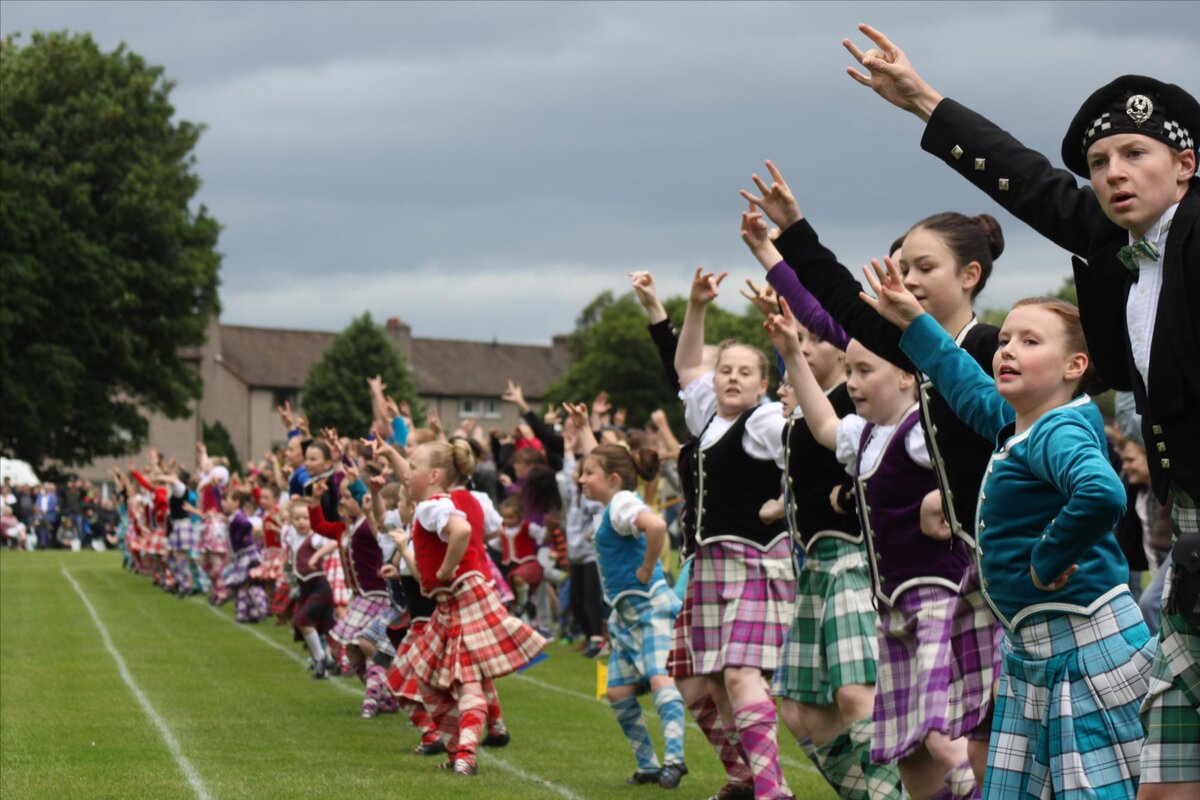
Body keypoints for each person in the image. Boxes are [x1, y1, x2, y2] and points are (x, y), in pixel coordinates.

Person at [842, 27, 1199, 794]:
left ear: (1188, 166)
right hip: (1181, 547)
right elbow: (1036, 185)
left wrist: (1043, 559)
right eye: (1101, 162)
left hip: (1093, 625)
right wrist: (925, 105)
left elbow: (1098, 493)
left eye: (1136, 153)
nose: (1113, 172)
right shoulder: (1117, 258)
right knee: (1165, 780)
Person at [742, 161, 1004, 785]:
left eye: (923, 268)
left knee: (980, 740)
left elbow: (1023, 435)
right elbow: (835, 303)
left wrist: (958, 493)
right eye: (903, 267)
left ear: (971, 276)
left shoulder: (992, 346)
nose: (907, 278)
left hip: (982, 568)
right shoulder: (910, 344)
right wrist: (791, 233)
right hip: (926, 579)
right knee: (913, 751)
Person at [861, 254, 1156, 799]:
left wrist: (1046, 561)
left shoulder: (1057, 431)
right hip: (1034, 652)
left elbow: (1101, 493)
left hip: (1083, 650)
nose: (1008, 350)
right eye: (1006, 340)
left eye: (1030, 341)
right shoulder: (1023, 422)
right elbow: (964, 384)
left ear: (1074, 366)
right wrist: (913, 319)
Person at [765, 298, 975, 800]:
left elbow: (979, 462)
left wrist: (941, 498)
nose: (852, 382)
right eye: (851, 370)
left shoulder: (925, 433)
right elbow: (821, 426)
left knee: (944, 740)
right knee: (911, 758)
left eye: (864, 370)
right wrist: (793, 354)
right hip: (892, 611)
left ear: (907, 377)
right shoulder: (864, 437)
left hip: (938, 605)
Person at [739, 211, 903, 800]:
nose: (804, 348)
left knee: (857, 695)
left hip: (857, 561)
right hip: (816, 565)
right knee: (801, 711)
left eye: (813, 342)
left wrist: (775, 254)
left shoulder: (867, 399)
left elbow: (823, 313)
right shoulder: (820, 407)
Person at [675, 267, 796, 800]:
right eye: (725, 370)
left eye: (745, 372)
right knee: (695, 684)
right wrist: (697, 305)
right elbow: (685, 367)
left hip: (755, 562)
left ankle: (772, 790)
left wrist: (786, 504)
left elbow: (817, 455)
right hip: (707, 563)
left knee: (742, 675)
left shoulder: (767, 422)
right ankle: (744, 776)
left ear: (762, 383)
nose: (731, 378)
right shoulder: (708, 416)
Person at [391, 440, 545, 777]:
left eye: (412, 466)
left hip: (464, 597)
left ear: (434, 475)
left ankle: (466, 755)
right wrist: (408, 553)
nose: (406, 473)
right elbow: (432, 574)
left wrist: (448, 569)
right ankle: (457, 749)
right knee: (424, 675)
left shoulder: (432, 505)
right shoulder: (442, 503)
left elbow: (461, 531)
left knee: (466, 680)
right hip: (451, 602)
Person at [572, 418, 688, 790]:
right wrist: (583, 431)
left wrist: (647, 568)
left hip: (648, 606)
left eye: (588, 473)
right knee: (619, 691)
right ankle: (649, 766)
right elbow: (606, 463)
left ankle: (675, 760)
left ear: (613, 479)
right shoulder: (613, 499)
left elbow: (655, 526)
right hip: (625, 616)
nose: (581, 479)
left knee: (659, 677)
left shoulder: (622, 502)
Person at [222, 488, 268, 624]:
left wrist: (244, 536)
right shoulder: (233, 517)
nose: (223, 503)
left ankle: (245, 612)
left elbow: (247, 525)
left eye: (227, 500)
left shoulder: (239, 517)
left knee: (243, 584)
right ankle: (252, 611)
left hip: (247, 555)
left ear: (236, 503)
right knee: (242, 585)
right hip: (241, 555)